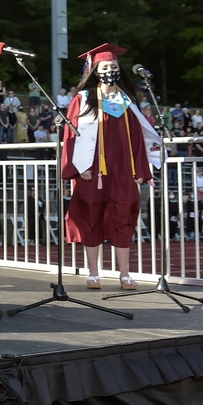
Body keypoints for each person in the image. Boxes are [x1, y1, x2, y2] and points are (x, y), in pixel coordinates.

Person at [62, 44, 160, 290]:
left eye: (114, 67)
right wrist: (78, 167)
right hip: (92, 170)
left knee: (123, 217)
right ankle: (94, 272)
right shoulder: (83, 99)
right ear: (95, 70)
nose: (110, 71)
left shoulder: (126, 101)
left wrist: (140, 170)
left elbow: (137, 137)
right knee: (92, 216)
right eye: (105, 67)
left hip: (123, 170)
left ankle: (125, 273)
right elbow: (70, 135)